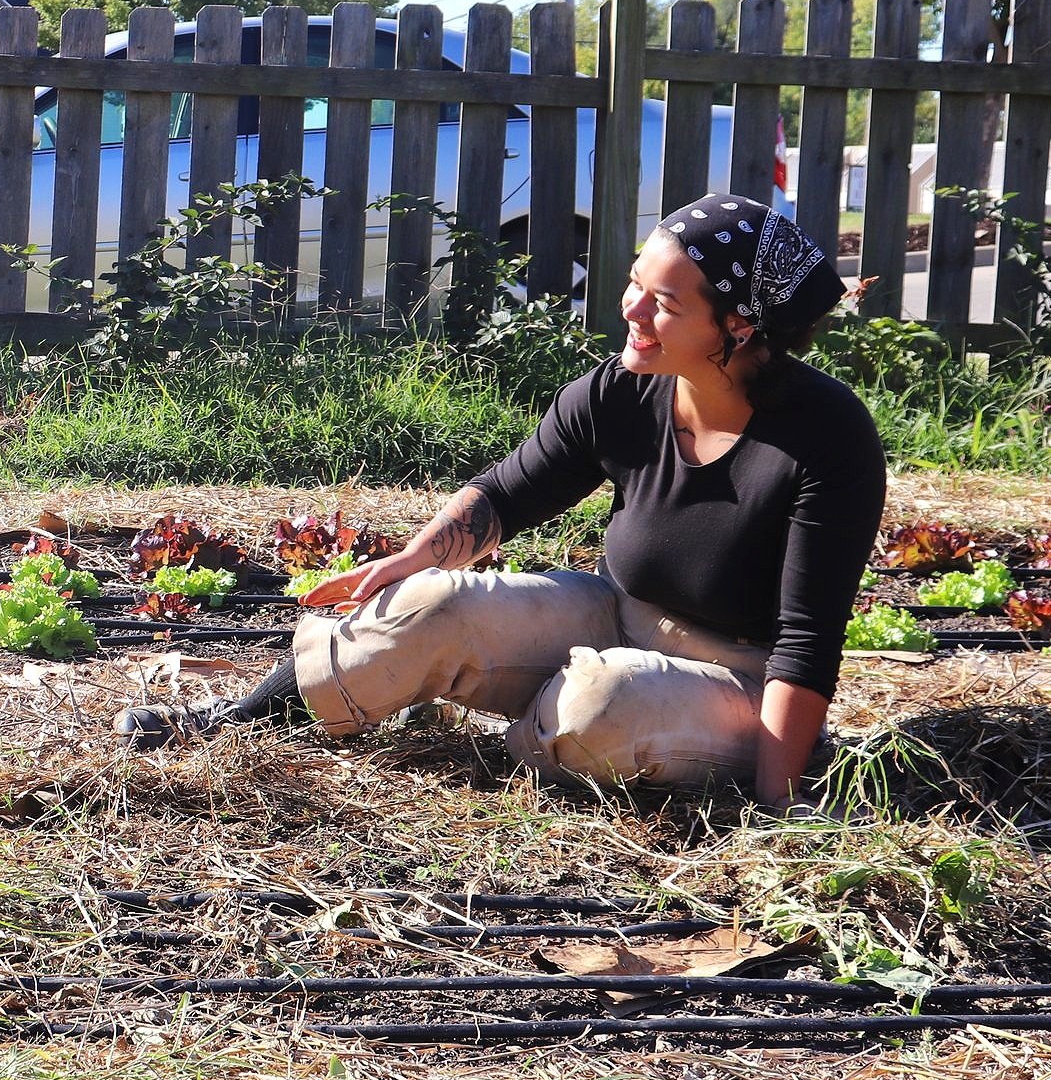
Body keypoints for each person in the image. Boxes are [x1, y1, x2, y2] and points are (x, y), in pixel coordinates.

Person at [118, 194, 885, 810]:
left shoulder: (825, 437)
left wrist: (780, 804)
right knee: (429, 602)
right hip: (618, 618)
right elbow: (510, 488)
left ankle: (533, 742)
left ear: (739, 324)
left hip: (741, 685)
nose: (629, 309)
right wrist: (416, 556)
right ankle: (233, 719)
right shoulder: (624, 390)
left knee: (599, 704)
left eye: (662, 301)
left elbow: (805, 639)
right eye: (632, 281)